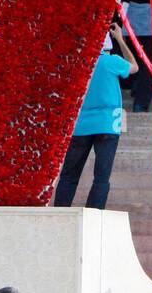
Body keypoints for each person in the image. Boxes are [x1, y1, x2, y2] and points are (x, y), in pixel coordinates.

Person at [53, 25, 137, 209]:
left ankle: (59, 211)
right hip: (109, 123)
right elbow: (134, 67)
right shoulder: (111, 61)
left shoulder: (78, 63)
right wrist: (121, 40)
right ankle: (94, 212)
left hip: (81, 125)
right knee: (102, 176)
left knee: (69, 175)